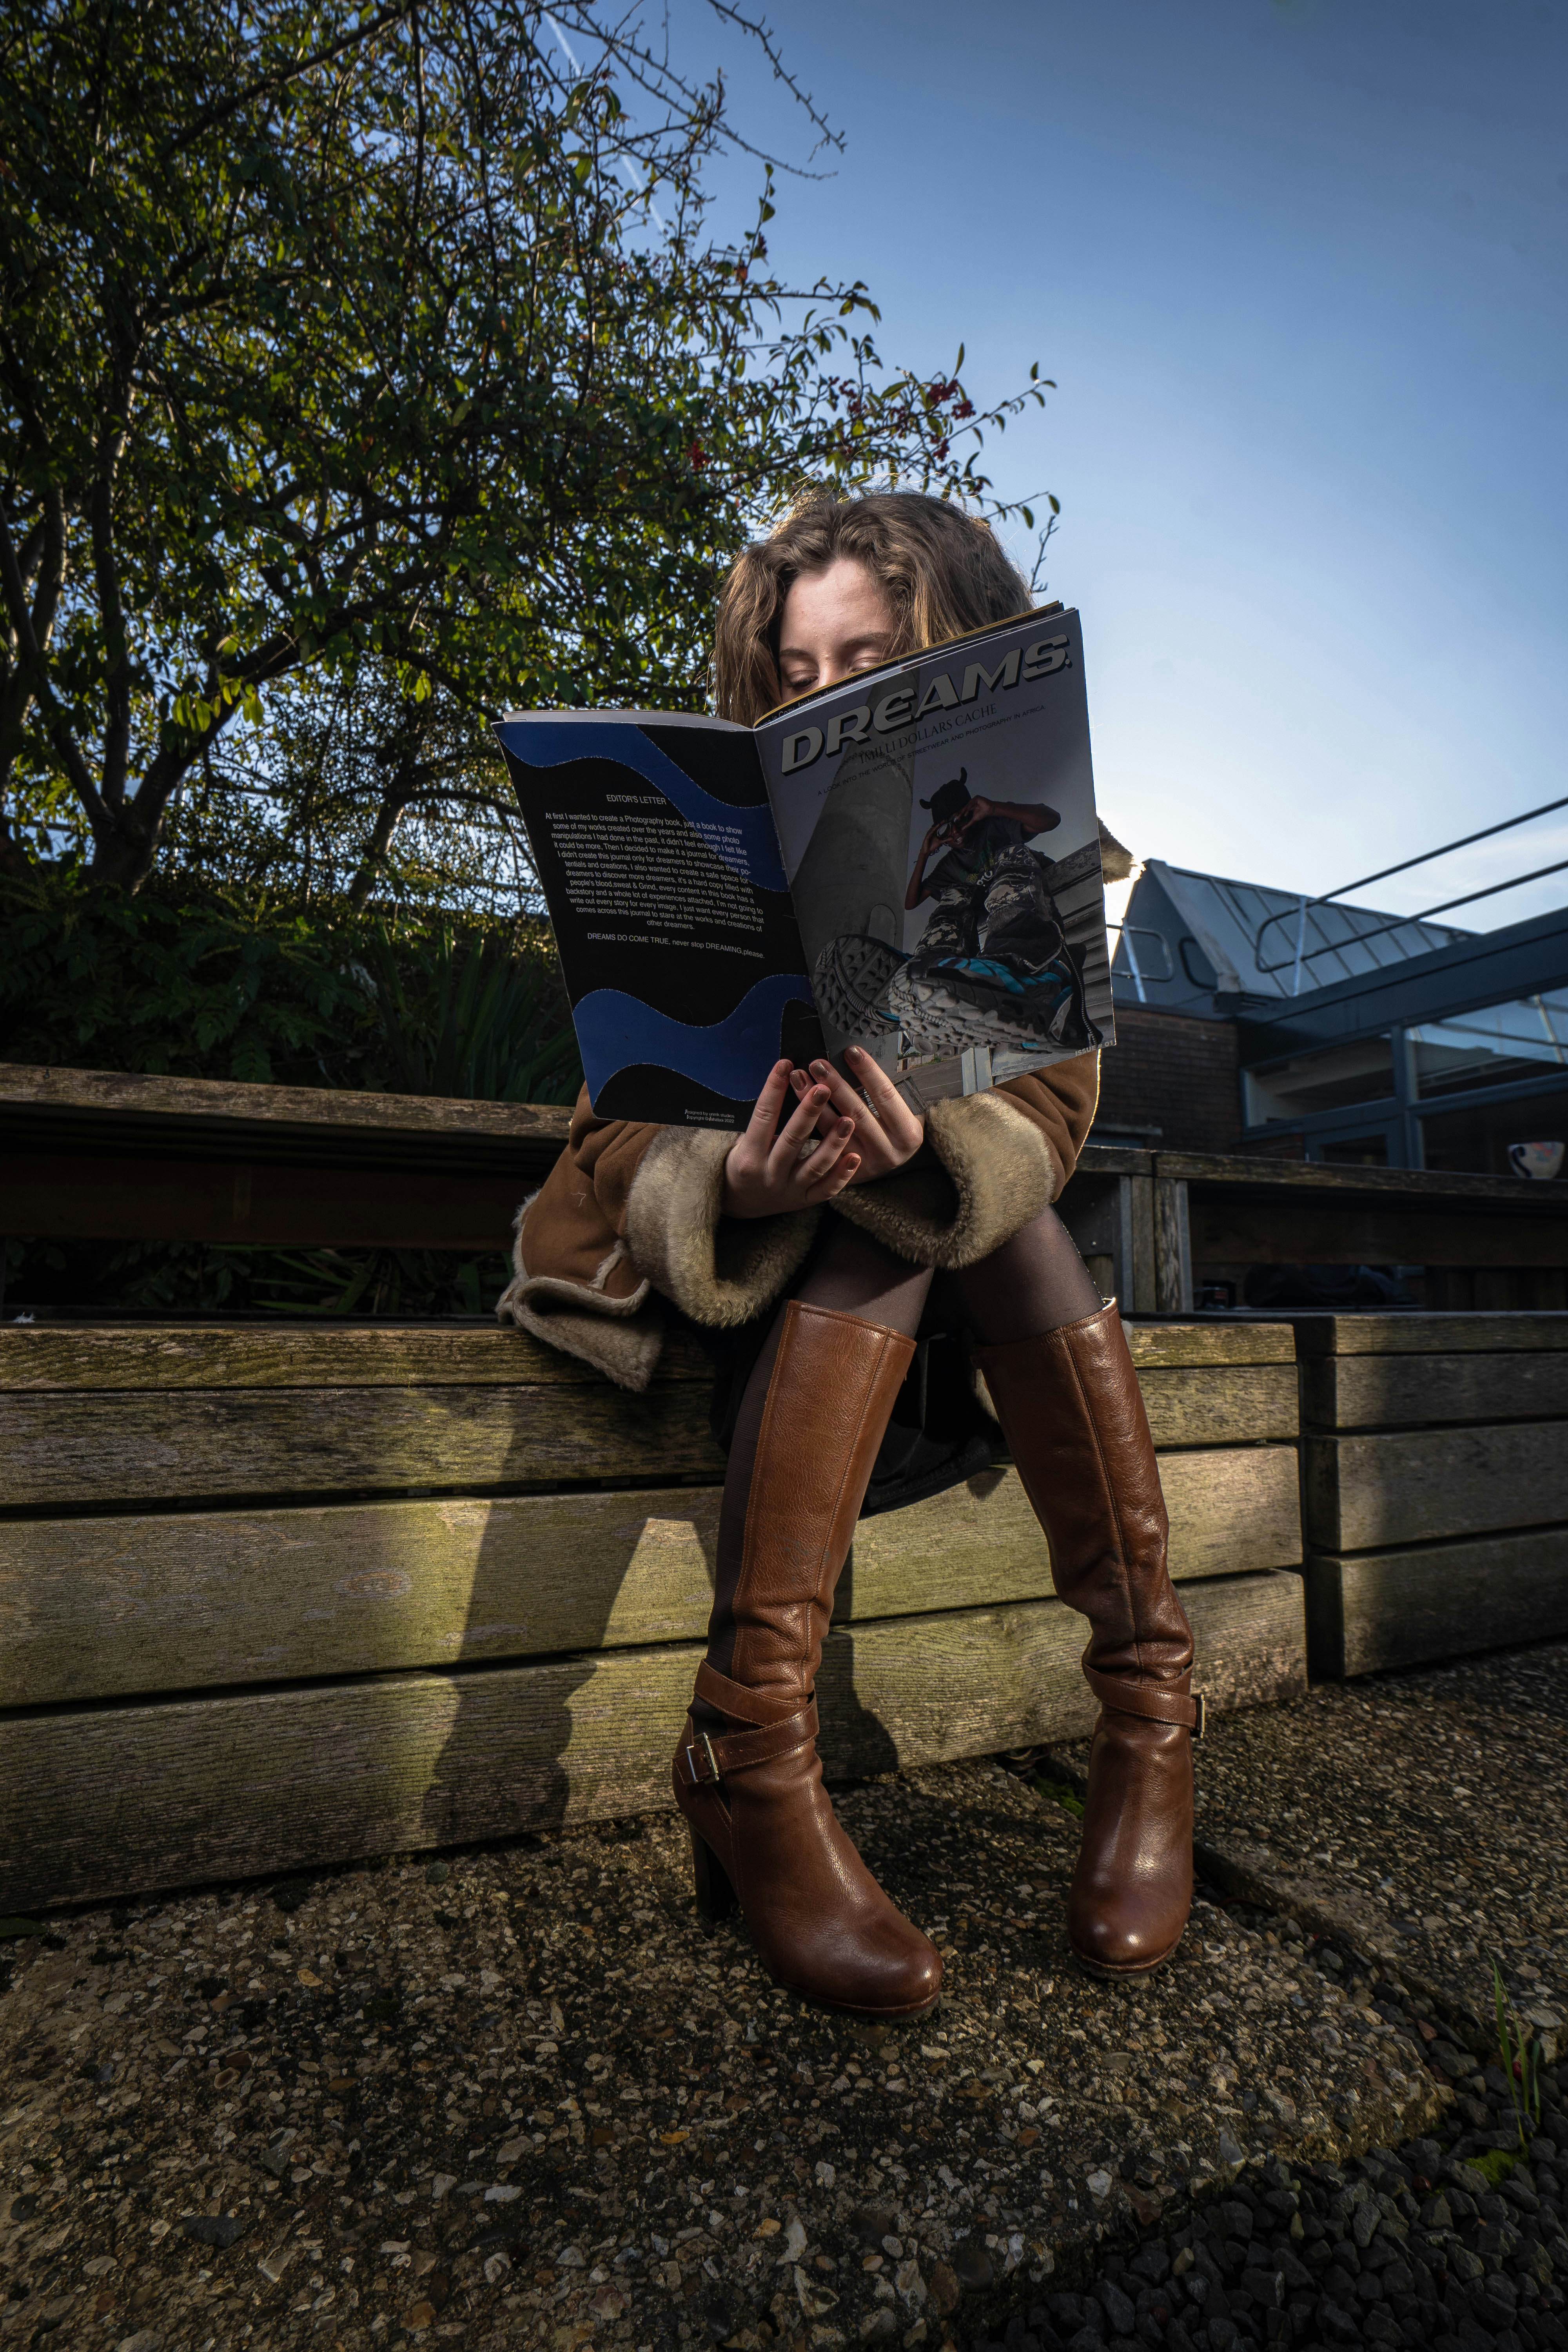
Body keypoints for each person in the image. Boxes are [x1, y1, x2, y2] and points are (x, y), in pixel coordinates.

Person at [501, 490, 1198, 2022]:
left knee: (968, 1213)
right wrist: (729, 1183)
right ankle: (780, 1755)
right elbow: (611, 1129)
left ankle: (1135, 1729)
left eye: (865, 660)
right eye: (796, 676)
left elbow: (1056, 1111)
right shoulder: (721, 866)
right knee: (887, 1229)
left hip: (935, 1309)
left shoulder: (1031, 861)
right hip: (736, 1299)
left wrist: (937, 1146)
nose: (821, 697)